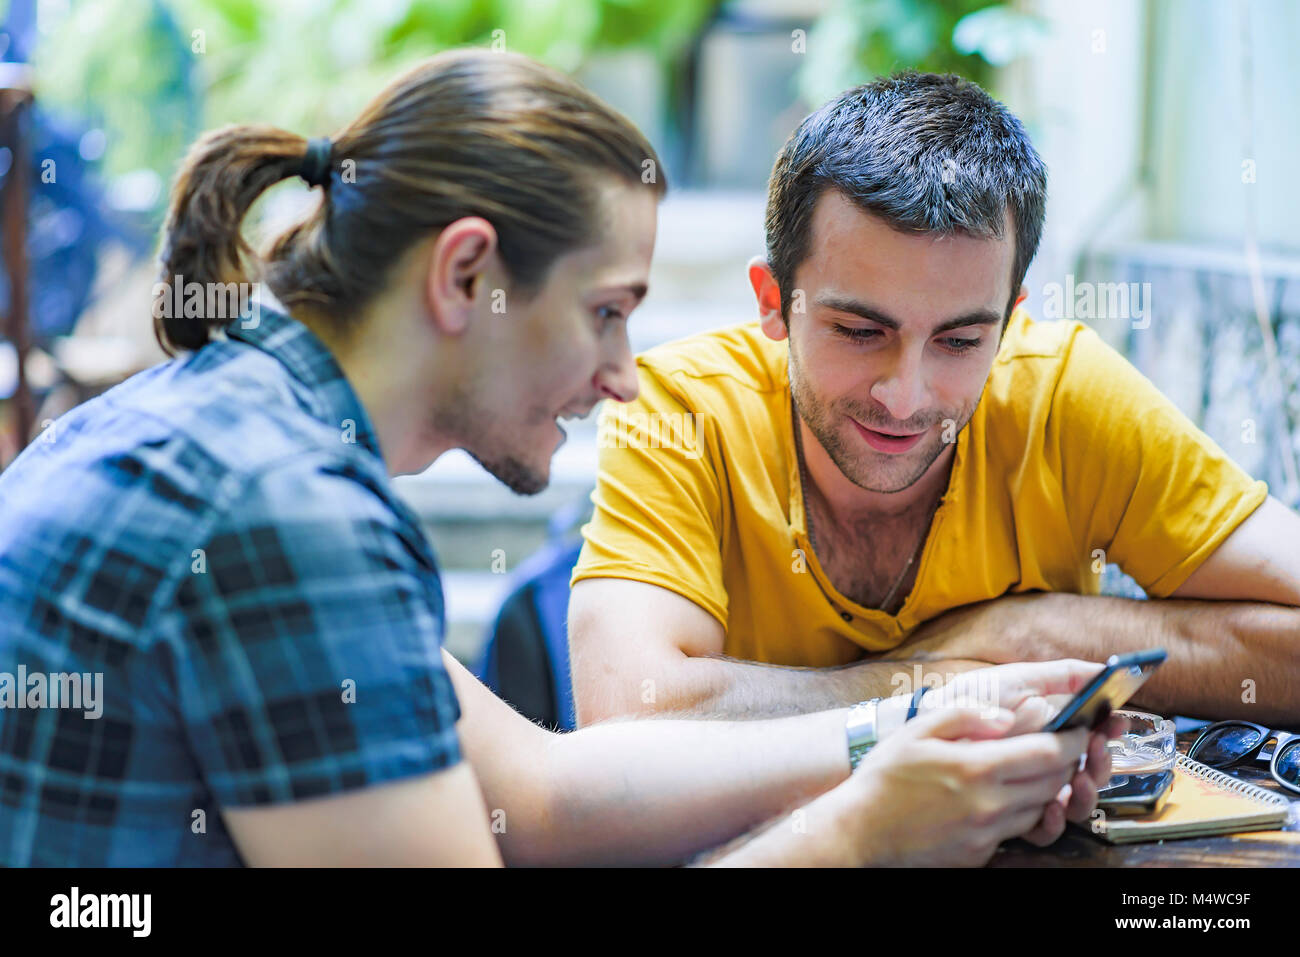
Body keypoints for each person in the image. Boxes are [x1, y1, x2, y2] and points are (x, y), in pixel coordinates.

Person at [0, 50, 1115, 867]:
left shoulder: (222, 433)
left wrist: (916, 724)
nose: (624, 373)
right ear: (465, 276)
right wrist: (863, 835)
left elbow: (534, 794)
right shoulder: (285, 512)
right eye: (606, 310)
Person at [568, 71, 1300, 727]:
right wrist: (935, 685)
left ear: (1009, 322)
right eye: (859, 330)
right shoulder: (681, 410)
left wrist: (1044, 636)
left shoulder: (1065, 392)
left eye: (959, 341)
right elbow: (629, 710)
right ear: (772, 302)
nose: (905, 395)